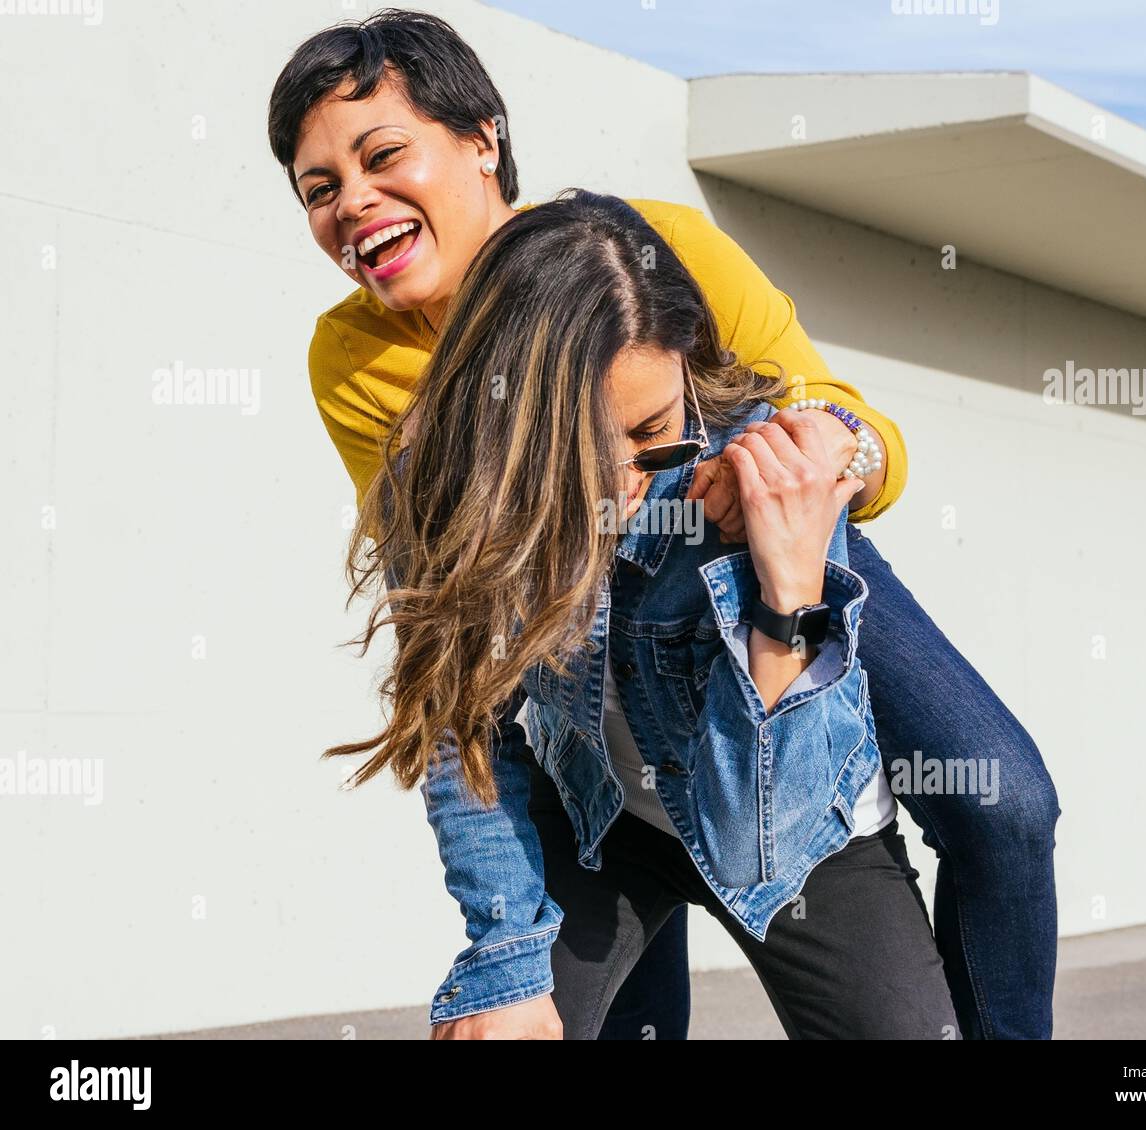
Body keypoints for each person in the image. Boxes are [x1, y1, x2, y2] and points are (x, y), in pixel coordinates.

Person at [270, 7, 1060, 1039]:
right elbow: (453, 623)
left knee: (1000, 798)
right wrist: (505, 958)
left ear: (481, 140)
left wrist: (817, 469)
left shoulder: (649, 255)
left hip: (759, 568)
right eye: (318, 189)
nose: (352, 205)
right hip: (587, 670)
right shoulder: (358, 364)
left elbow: (846, 422)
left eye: (382, 157)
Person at [330, 188, 960, 1039]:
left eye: (652, 432)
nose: (622, 483)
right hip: (606, 813)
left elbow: (753, 839)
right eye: (579, 449)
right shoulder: (440, 480)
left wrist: (786, 587)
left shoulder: (764, 465)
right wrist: (506, 957)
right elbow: (460, 729)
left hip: (801, 826)